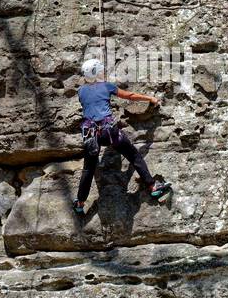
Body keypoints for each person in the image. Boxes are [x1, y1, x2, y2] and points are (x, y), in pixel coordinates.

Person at [73, 57, 171, 215]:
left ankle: (80, 203)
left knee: (88, 169)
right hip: (109, 132)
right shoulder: (107, 86)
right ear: (97, 72)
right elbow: (129, 95)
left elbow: (92, 102)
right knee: (133, 155)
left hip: (91, 135)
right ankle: (153, 187)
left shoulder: (81, 91)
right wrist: (150, 98)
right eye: (101, 70)